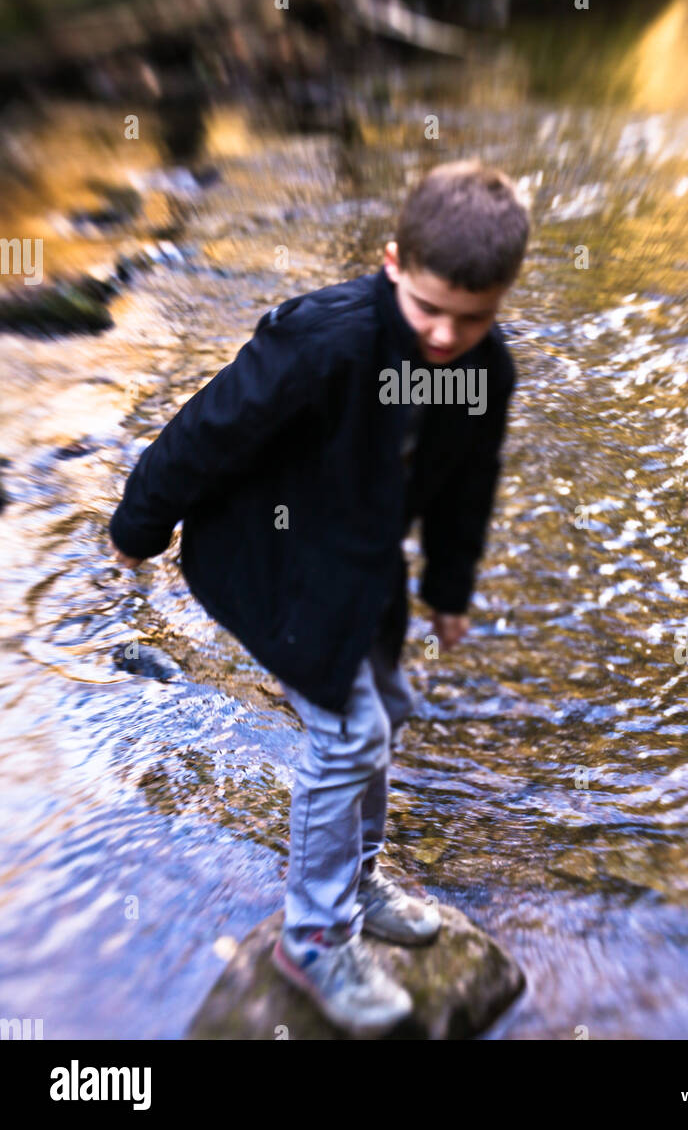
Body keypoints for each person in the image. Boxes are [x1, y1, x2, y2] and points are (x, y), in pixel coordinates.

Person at [108, 158, 529, 1036]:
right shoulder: (325, 340)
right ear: (390, 265)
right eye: (429, 309)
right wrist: (139, 524)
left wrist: (450, 589)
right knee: (350, 733)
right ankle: (311, 936)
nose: (448, 336)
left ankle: (358, 877)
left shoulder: (482, 371)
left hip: (357, 561)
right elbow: (209, 426)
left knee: (390, 709)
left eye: (474, 316)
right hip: (265, 555)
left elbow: (465, 484)